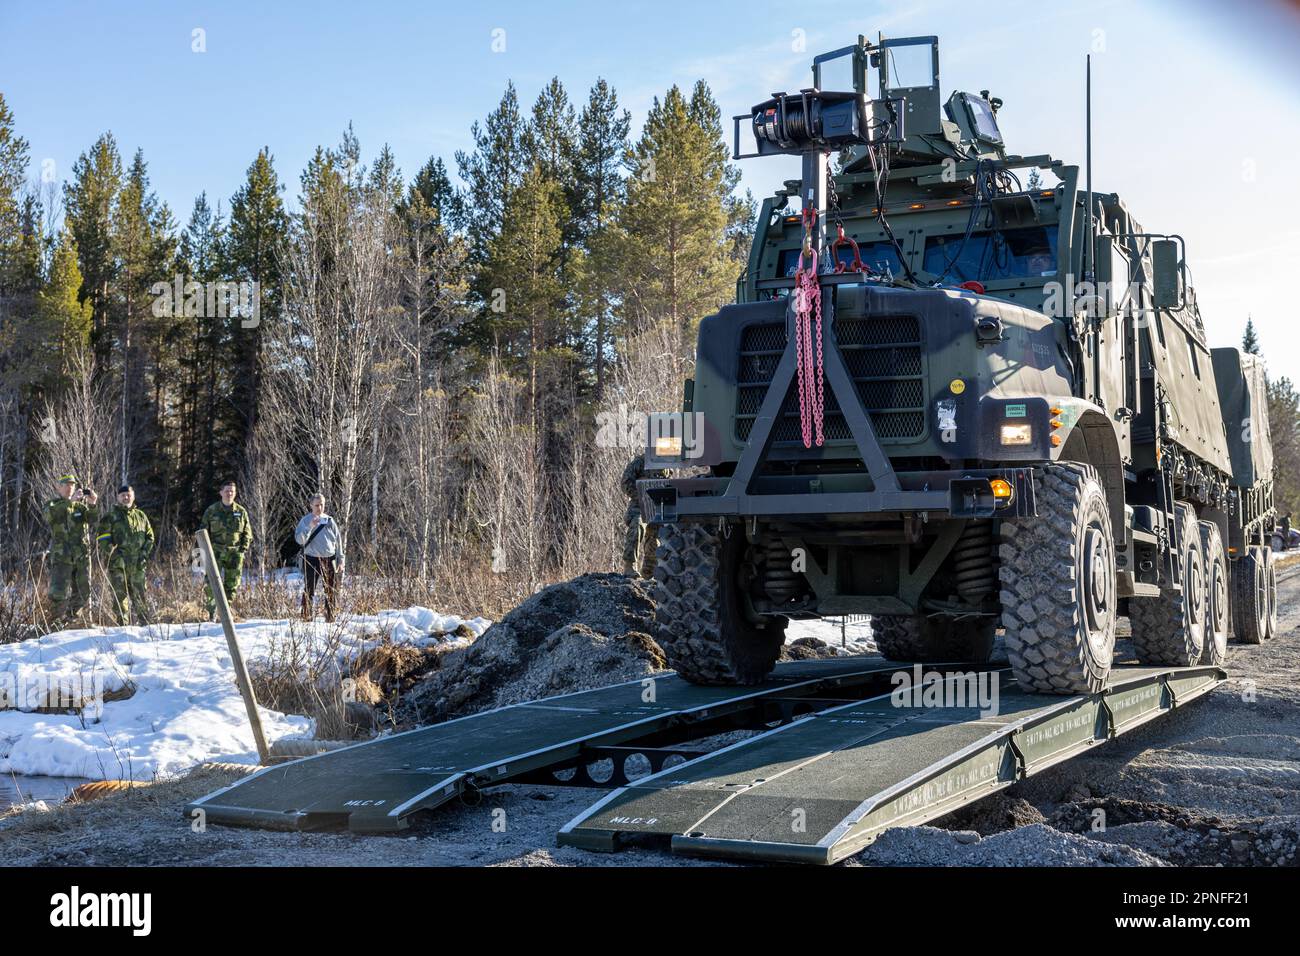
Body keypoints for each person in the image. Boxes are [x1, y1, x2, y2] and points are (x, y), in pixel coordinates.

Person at [44, 474, 99, 627]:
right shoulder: (52, 505)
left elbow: (93, 520)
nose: (70, 488)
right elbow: (50, 516)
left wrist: (93, 504)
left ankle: (72, 621)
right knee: (58, 593)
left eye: (72, 485)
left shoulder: (80, 507)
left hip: (81, 557)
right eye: (66, 485)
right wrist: (70, 502)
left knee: (83, 591)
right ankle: (54, 625)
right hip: (62, 558)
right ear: (59, 487)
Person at [96, 484, 154, 626]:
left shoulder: (141, 516)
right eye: (123, 495)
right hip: (118, 566)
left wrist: (143, 555)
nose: (126, 497)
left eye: (128, 495)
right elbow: (103, 540)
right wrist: (116, 558)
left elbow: (150, 537)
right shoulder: (110, 517)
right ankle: (123, 628)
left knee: (140, 595)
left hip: (138, 565)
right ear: (118, 497)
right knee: (120, 597)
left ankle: (145, 626)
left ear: (133, 496)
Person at [200, 480, 252, 621]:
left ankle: (225, 613)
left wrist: (242, 549)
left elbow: (247, 533)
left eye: (232, 491)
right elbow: (202, 532)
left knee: (232, 585)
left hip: (234, 554)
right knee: (211, 583)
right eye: (227, 490)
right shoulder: (211, 511)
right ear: (221, 492)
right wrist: (205, 552)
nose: (230, 493)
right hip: (215, 552)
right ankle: (211, 612)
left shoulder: (241, 512)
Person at [295, 493, 342, 622]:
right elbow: (299, 540)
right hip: (311, 559)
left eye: (322, 505)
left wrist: (340, 559)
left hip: (329, 559)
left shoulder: (330, 520)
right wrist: (310, 526)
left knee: (331, 590)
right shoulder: (305, 521)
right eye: (316, 505)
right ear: (311, 505)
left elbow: (338, 540)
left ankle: (330, 617)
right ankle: (306, 617)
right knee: (309, 589)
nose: (319, 508)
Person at [621, 454, 667, 578]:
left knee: (655, 538)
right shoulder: (641, 462)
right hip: (639, 507)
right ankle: (629, 567)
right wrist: (640, 496)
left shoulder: (665, 464)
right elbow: (625, 482)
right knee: (637, 526)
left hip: (657, 507)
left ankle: (648, 574)